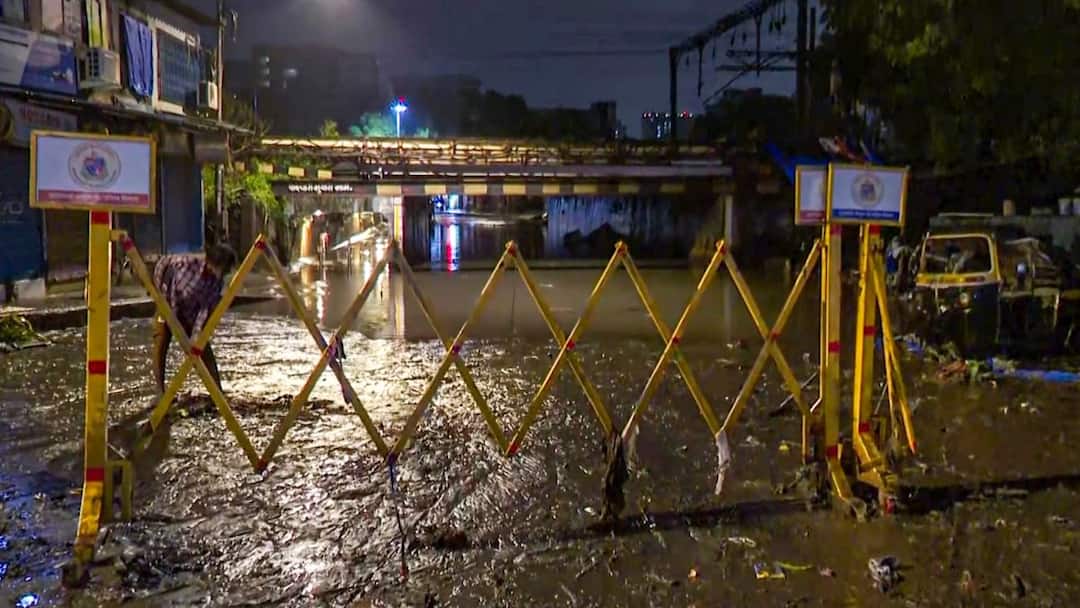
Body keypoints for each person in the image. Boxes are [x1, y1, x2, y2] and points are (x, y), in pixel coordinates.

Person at [152, 244, 237, 394]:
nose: (225, 273)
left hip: (190, 311)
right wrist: (164, 304)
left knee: (203, 348)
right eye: (224, 269)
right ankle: (160, 392)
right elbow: (167, 278)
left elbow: (206, 309)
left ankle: (217, 391)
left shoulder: (216, 282)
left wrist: (197, 334)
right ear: (214, 263)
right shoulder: (186, 265)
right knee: (161, 342)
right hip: (168, 302)